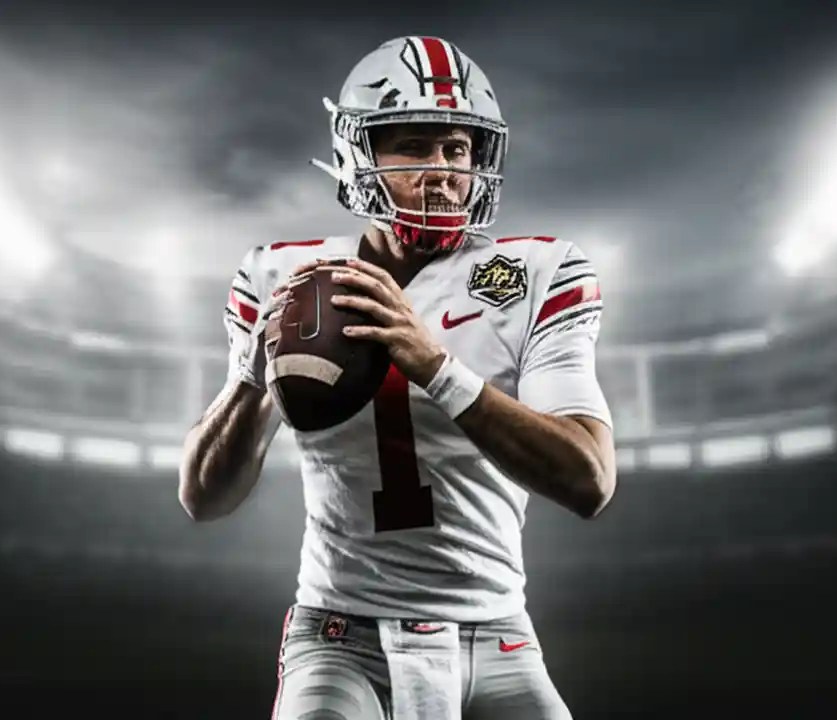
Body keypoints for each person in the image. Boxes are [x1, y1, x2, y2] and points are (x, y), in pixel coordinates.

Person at [179, 36, 616, 720]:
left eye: (458, 149)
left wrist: (437, 367)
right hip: (339, 635)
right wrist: (252, 376)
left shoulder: (538, 273)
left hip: (495, 633)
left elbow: (589, 479)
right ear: (359, 155)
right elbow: (203, 497)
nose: (442, 171)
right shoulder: (283, 277)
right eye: (414, 146)